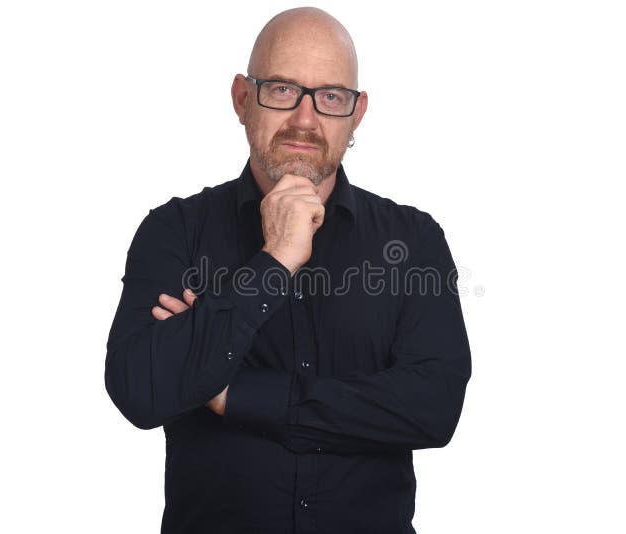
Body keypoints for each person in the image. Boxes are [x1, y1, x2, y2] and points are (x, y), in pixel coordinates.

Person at [104, 7, 471, 534]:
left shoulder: (412, 241)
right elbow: (141, 392)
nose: (305, 119)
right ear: (241, 98)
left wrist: (230, 391)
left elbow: (432, 409)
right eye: (281, 89)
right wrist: (273, 260)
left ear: (357, 113)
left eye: (330, 97)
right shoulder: (175, 231)